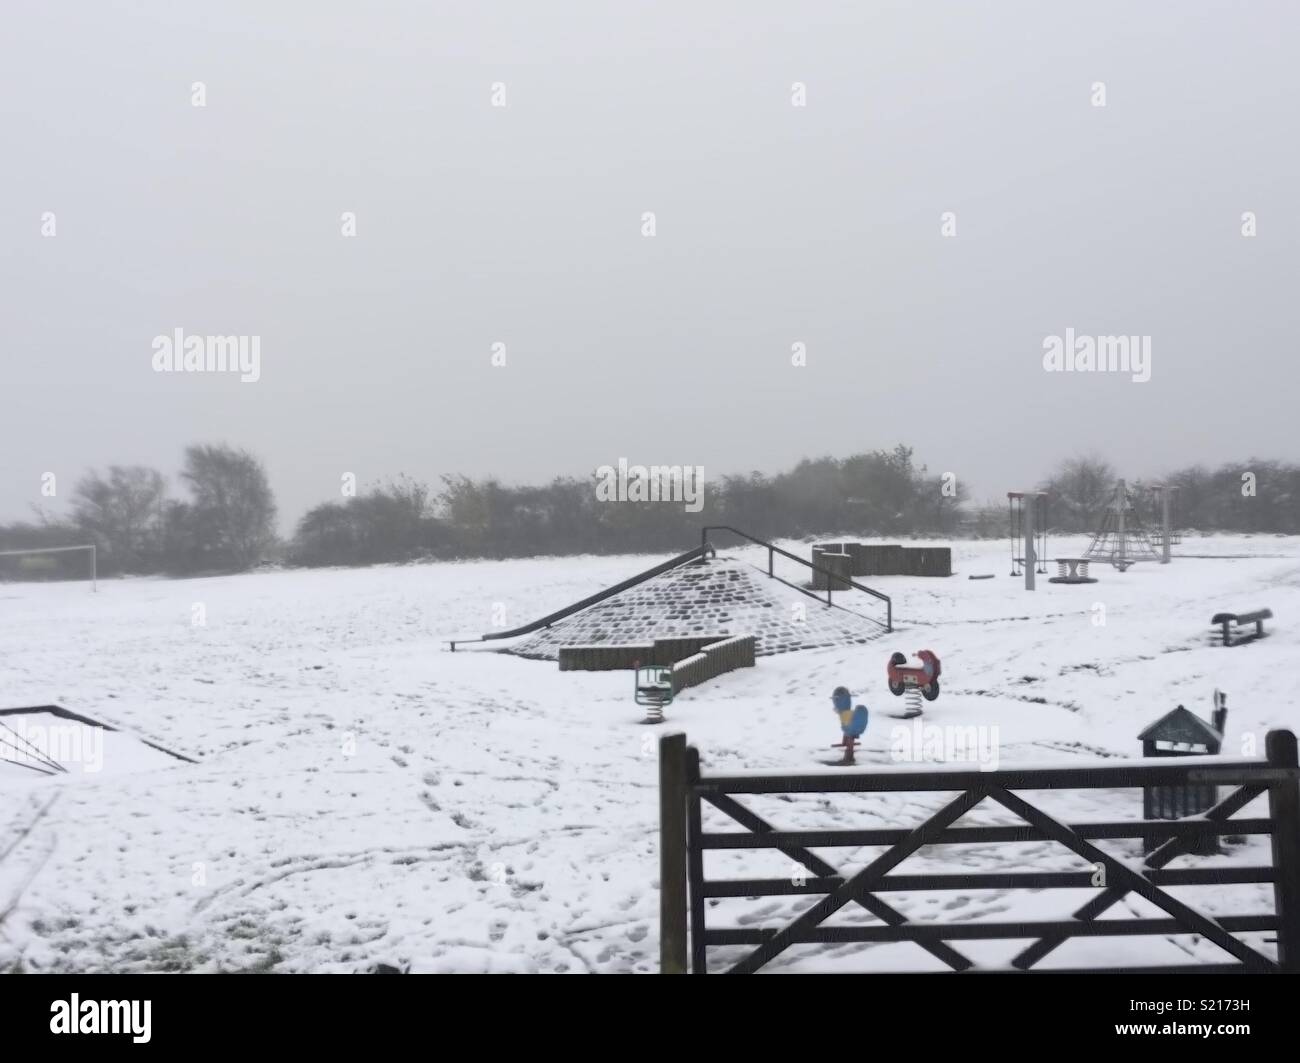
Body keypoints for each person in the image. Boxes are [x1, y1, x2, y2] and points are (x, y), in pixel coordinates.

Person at [830, 686, 869, 765]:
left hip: (852, 728)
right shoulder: (849, 713)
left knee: (848, 731)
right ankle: (845, 742)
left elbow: (846, 726)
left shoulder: (844, 714)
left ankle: (849, 755)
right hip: (859, 726)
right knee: (847, 728)